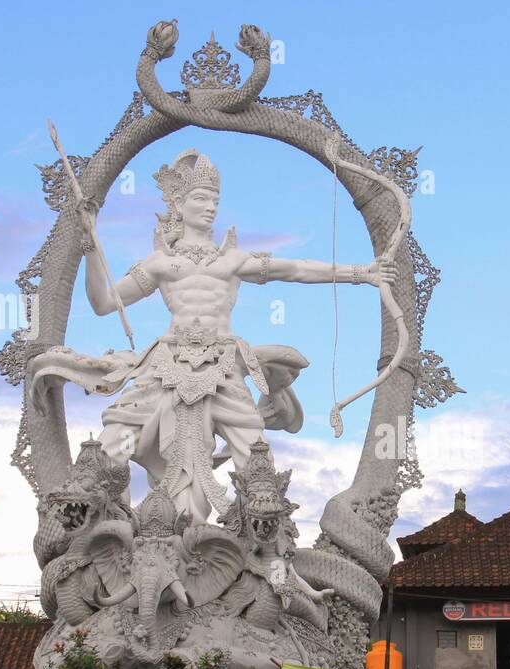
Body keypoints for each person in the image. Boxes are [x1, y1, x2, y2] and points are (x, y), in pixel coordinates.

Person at [43, 147, 395, 525]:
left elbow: (295, 268)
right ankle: (92, 516)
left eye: (214, 200)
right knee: (115, 435)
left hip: (222, 362)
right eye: (200, 199)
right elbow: (104, 301)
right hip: (167, 363)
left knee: (254, 451)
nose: (210, 207)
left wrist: (362, 272)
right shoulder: (162, 262)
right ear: (178, 204)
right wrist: (90, 244)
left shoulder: (232, 259)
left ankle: (266, 536)